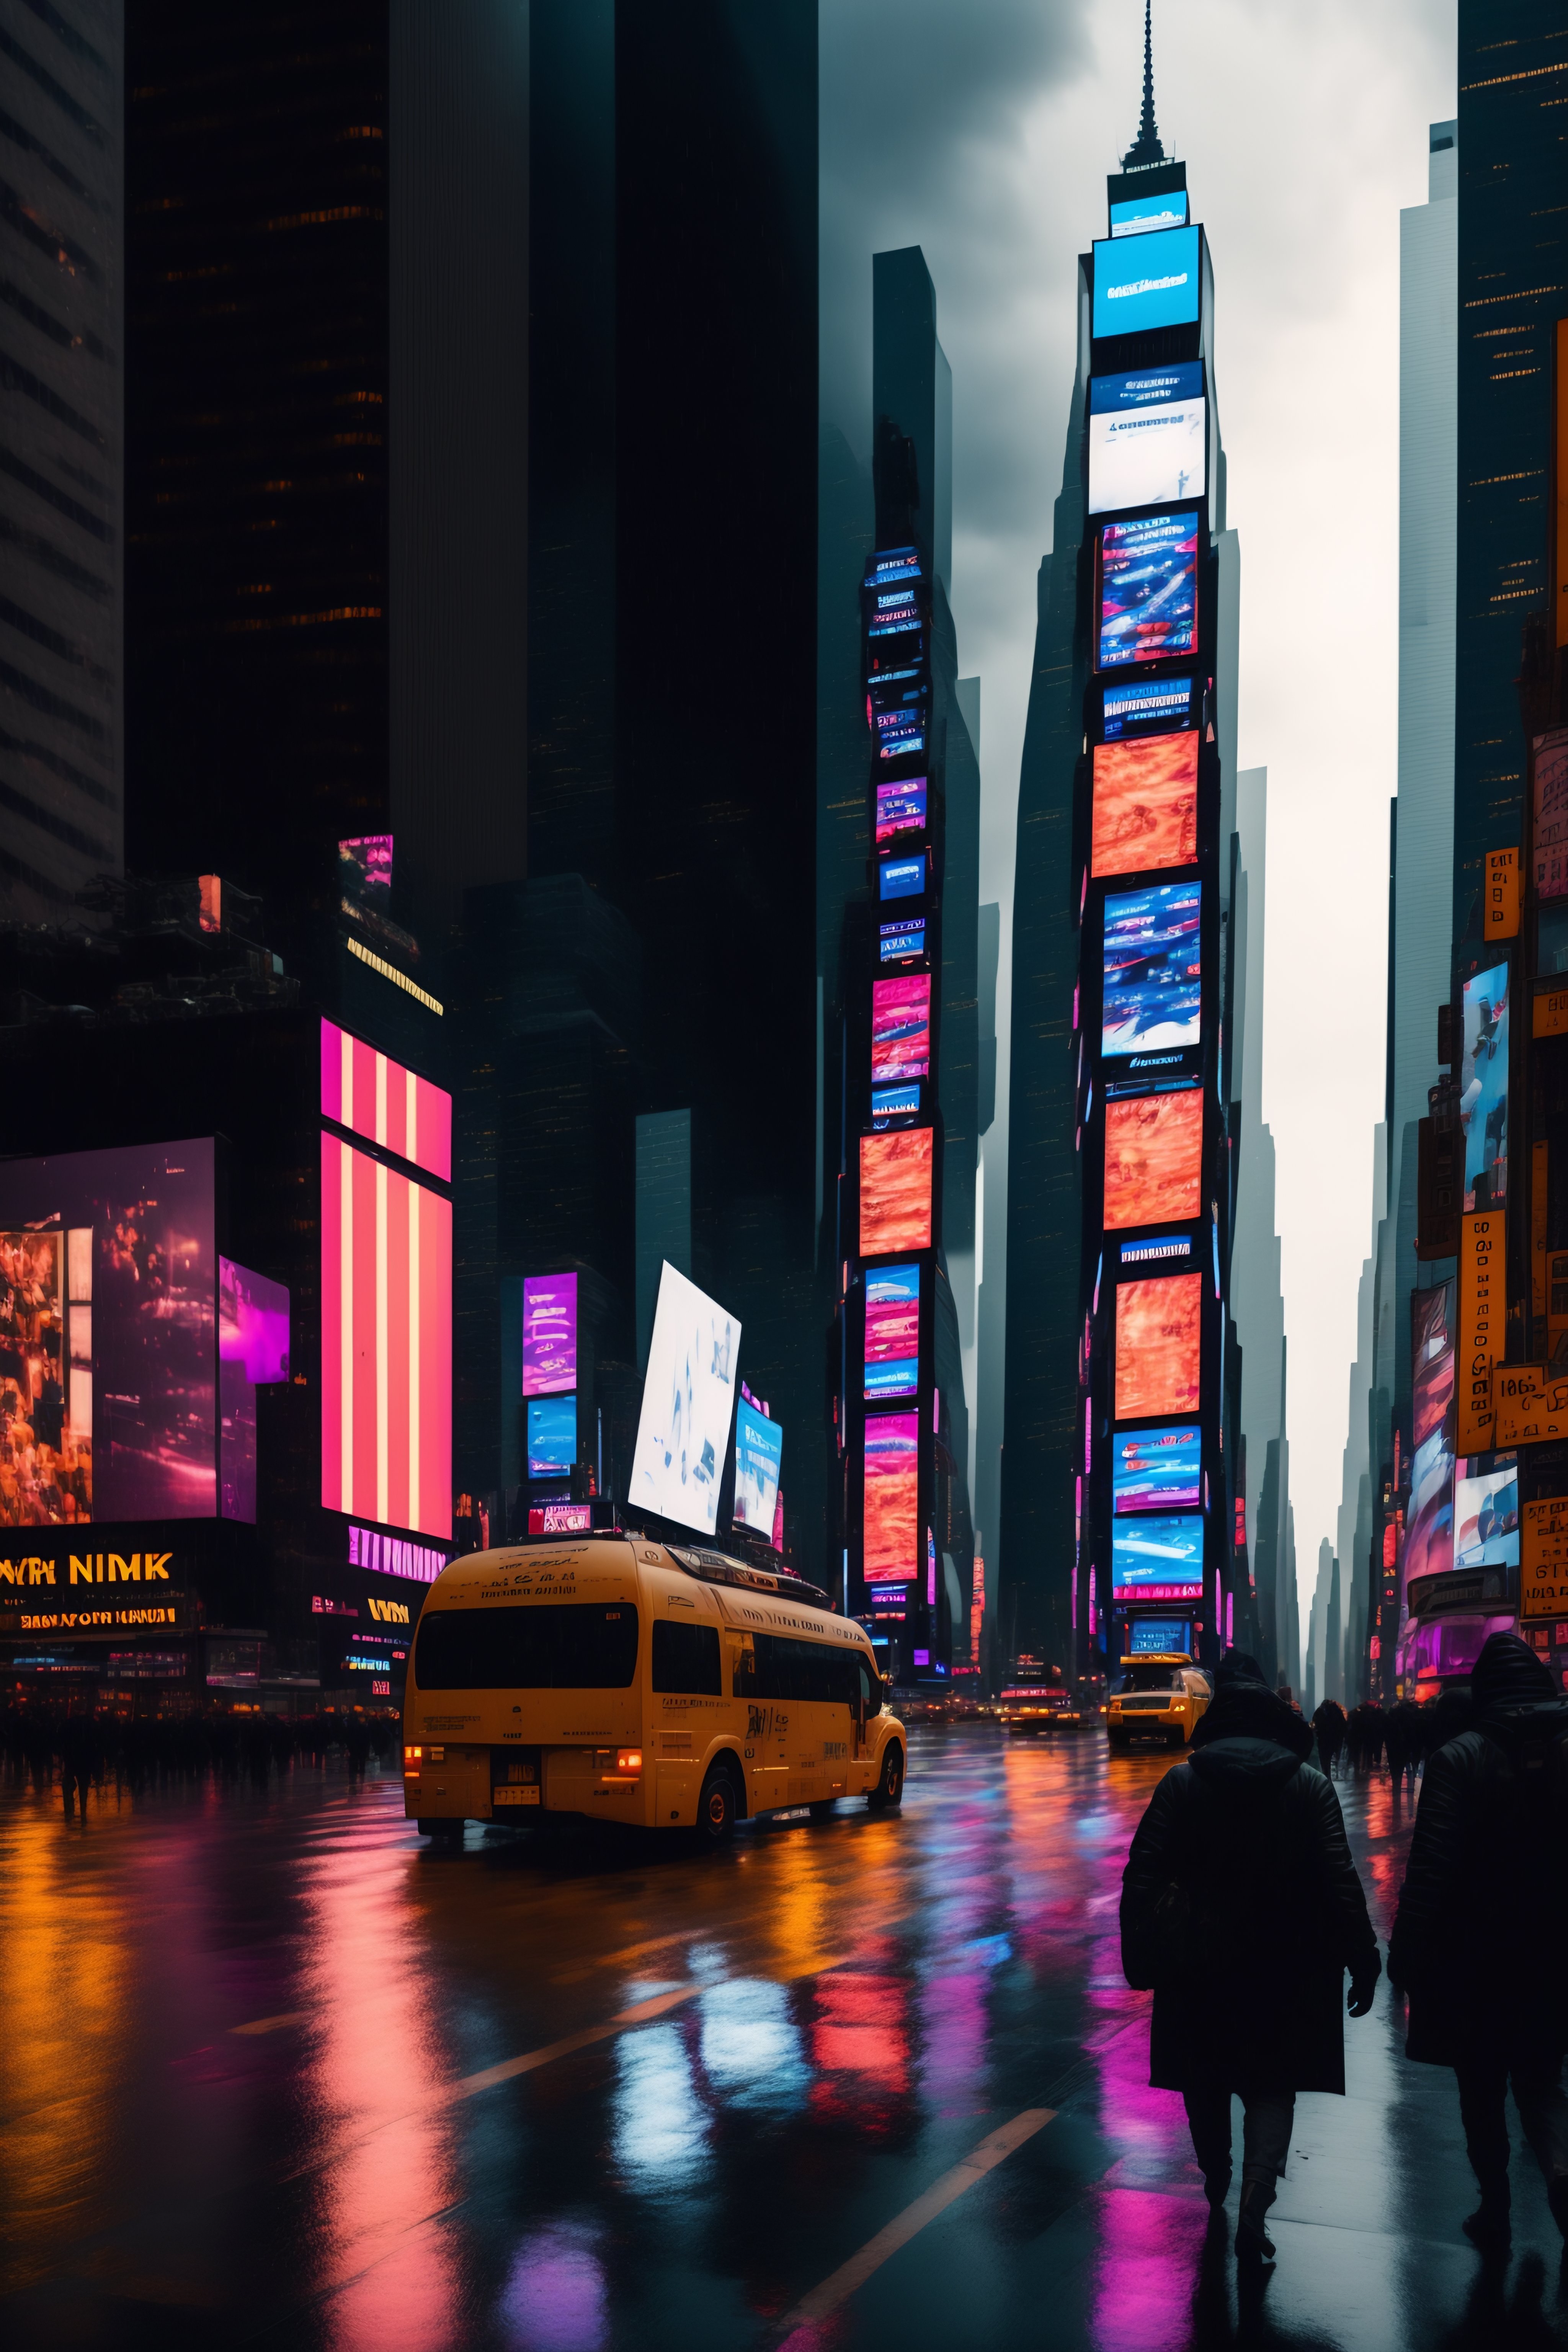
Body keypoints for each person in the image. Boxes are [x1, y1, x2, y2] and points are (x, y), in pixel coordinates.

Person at [1122, 1653, 1380, 2263]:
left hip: (1197, 1965)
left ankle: (1216, 2179)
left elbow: (1141, 1877)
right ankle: (1255, 2210)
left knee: (1204, 2082)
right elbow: (1340, 1880)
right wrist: (1363, 1959)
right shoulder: (1309, 1785)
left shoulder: (1183, 1782)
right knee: (1273, 2087)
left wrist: (1142, 1956)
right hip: (1289, 1967)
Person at [1389, 1632, 1568, 2251]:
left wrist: (1405, 1951)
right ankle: (1562, 2171)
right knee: (1543, 2077)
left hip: (1474, 1956)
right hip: (1554, 1952)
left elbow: (1432, 1867)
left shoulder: (1458, 1756)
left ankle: (1494, 2207)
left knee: (1481, 2084)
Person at [1313, 1697, 1346, 1778]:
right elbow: (1343, 1725)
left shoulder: (1319, 1711)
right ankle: (1337, 1774)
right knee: (1336, 1757)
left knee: (1325, 1761)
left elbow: (1315, 1725)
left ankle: (1327, 1775)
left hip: (1323, 1741)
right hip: (1336, 1740)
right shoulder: (1337, 1711)